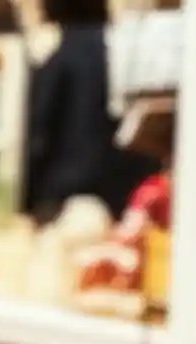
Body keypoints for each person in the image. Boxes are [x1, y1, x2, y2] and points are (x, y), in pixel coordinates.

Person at [21, 0, 159, 223]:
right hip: (123, 198)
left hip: (63, 199)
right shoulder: (125, 52)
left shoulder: (62, 58)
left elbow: (37, 136)